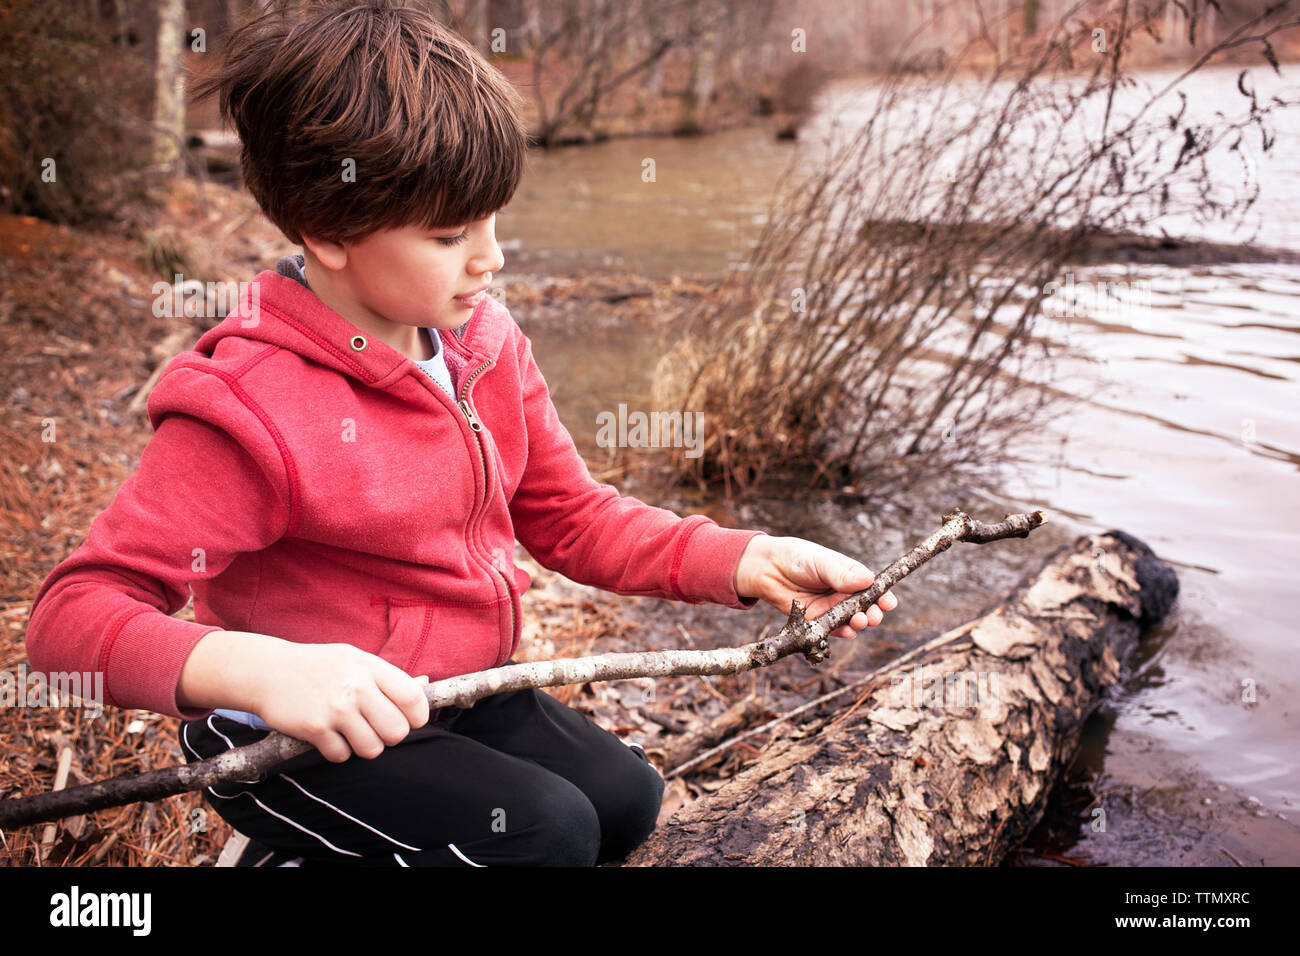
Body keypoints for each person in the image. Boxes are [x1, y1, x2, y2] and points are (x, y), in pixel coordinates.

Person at [24, 1, 898, 867]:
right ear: (329, 232)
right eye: (451, 235)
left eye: (493, 220)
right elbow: (71, 622)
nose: (492, 258)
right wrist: (263, 673)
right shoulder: (249, 405)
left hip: (457, 691)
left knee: (626, 801)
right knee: (545, 834)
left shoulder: (484, 343)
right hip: (295, 733)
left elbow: (572, 517)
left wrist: (745, 560)